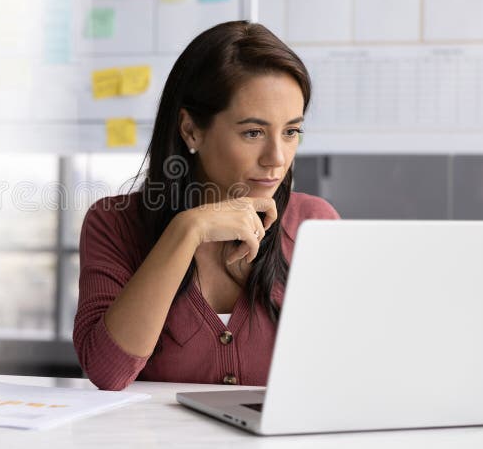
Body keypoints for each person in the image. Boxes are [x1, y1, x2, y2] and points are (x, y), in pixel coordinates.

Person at [73, 21, 339, 391]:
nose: (277, 158)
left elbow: (343, 371)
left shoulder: (314, 223)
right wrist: (188, 230)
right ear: (191, 130)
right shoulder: (113, 223)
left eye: (291, 131)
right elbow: (108, 372)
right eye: (253, 133)